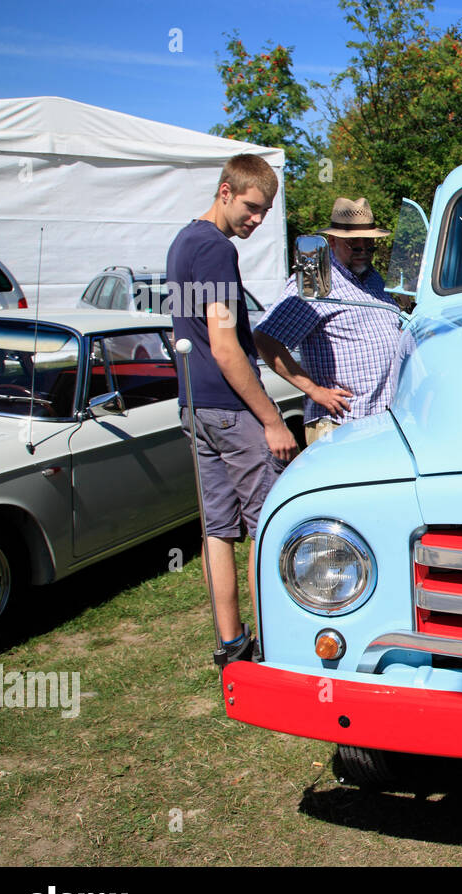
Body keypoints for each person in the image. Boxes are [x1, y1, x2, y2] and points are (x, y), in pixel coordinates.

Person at [167, 153, 297, 662]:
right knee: (269, 525)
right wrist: (272, 419)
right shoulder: (216, 249)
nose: (257, 220)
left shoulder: (183, 241)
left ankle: (231, 643)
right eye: (251, 207)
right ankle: (278, 643)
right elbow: (224, 347)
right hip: (230, 408)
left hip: (194, 404)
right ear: (225, 191)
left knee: (217, 529)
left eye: (265, 211)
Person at [254, 197, 403, 446]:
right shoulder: (316, 283)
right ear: (332, 241)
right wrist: (315, 391)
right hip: (340, 424)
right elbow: (266, 339)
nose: (363, 253)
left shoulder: (372, 278)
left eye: (369, 247)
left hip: (380, 419)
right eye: (354, 246)